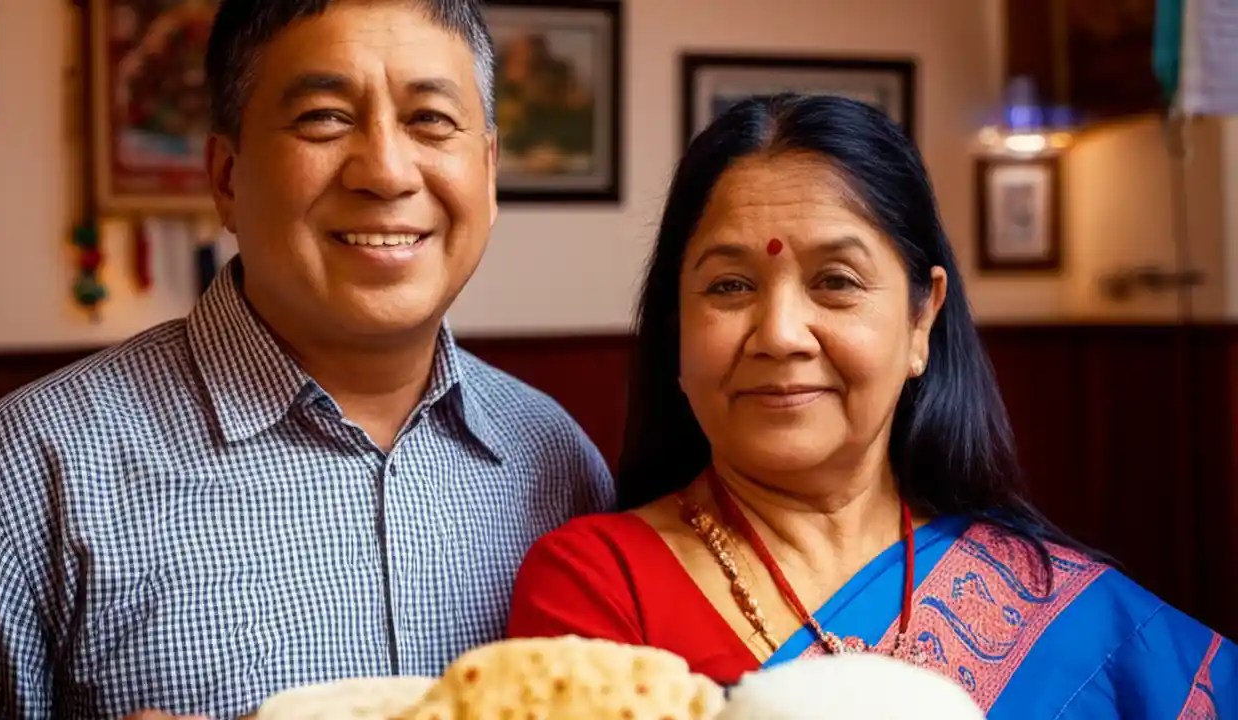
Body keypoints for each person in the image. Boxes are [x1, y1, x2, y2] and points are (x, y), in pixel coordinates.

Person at [0, 1, 614, 718]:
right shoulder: (20, 480)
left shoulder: (561, 467)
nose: (386, 173)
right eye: (324, 118)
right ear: (227, 176)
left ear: (487, 173)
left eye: (430, 120)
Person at [508, 94, 1236, 717]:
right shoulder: (596, 586)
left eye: (836, 281)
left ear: (921, 321)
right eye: (730, 287)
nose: (781, 334)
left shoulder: (1065, 611)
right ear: (676, 328)